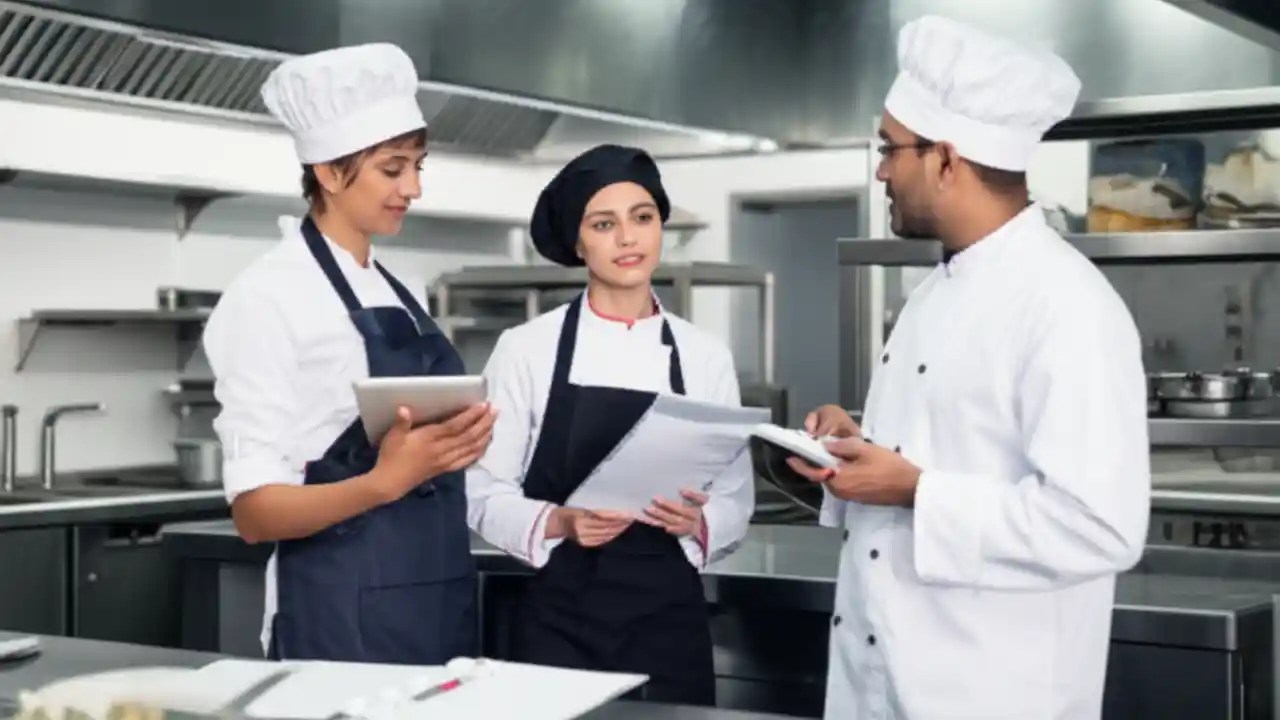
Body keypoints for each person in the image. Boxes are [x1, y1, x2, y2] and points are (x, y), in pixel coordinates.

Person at [790, 16, 1151, 720]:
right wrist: (856, 447)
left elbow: (1102, 526)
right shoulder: (934, 294)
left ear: (947, 159)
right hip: (885, 686)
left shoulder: (1066, 304)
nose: (881, 169)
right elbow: (956, 447)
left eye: (891, 149)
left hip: (990, 696)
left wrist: (917, 491)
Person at [202, 43, 495, 665]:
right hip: (337, 618)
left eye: (418, 165)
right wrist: (386, 481)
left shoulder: (402, 287)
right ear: (330, 173)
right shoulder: (267, 297)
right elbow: (255, 513)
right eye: (393, 169)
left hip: (437, 603)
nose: (413, 187)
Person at [465, 144, 753, 706]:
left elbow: (736, 497)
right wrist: (560, 522)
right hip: (561, 623)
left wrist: (699, 522)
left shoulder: (704, 355)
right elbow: (480, 492)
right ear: (578, 242)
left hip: (670, 619)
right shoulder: (527, 349)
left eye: (642, 218)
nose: (628, 238)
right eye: (605, 223)